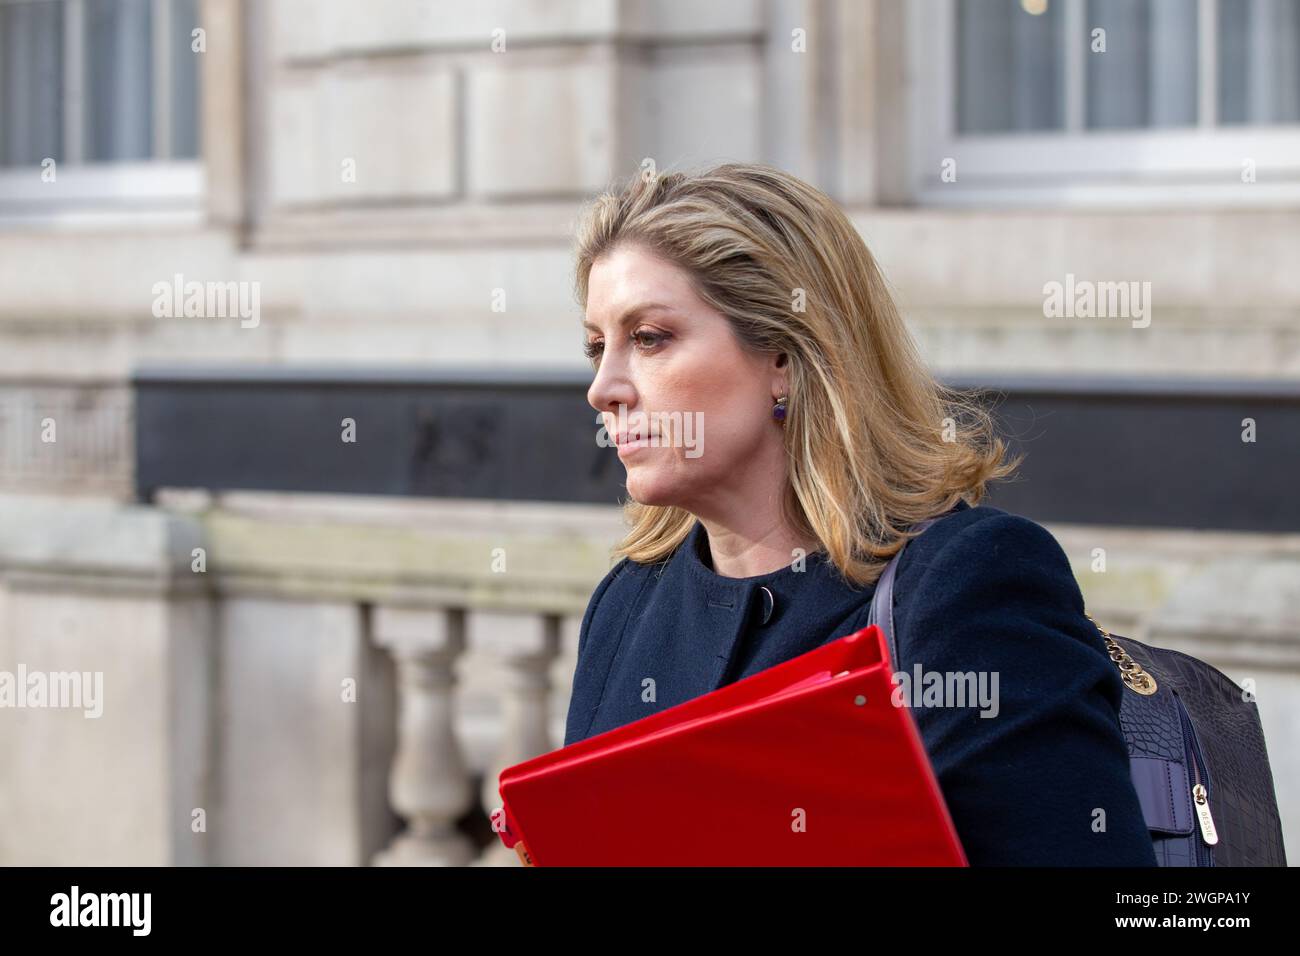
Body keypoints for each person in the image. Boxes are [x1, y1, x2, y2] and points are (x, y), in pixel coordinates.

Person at [564, 161, 1157, 867]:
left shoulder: (967, 586)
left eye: (650, 338)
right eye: (598, 347)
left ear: (783, 355)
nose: (604, 388)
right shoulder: (627, 604)